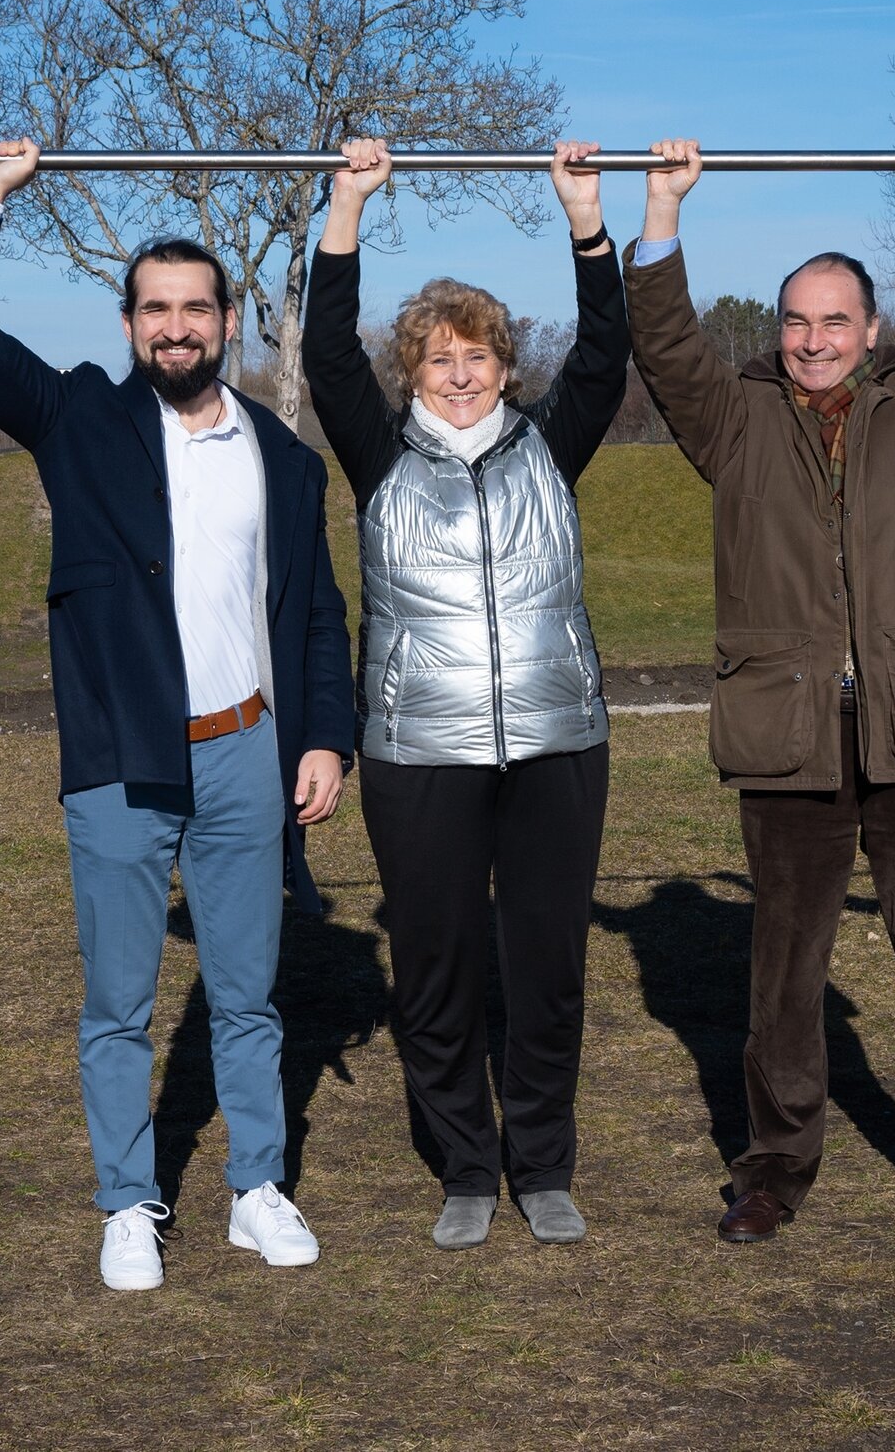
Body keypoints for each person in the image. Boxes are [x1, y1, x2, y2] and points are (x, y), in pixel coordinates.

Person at [0, 140, 356, 1290]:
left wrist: (324, 734)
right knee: (119, 999)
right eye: (155, 309)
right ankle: (127, 1199)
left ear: (226, 322)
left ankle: (256, 1186)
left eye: (196, 308)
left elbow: (316, 613)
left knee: (249, 993)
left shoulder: (280, 455)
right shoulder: (77, 422)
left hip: (248, 751)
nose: (177, 326)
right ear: (128, 325)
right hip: (120, 758)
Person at [623, 137, 895, 1243]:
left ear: (869, 328)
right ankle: (772, 1166)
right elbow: (664, 343)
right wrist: (661, 210)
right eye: (796, 323)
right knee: (783, 977)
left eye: (834, 322)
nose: (813, 342)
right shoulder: (734, 418)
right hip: (788, 734)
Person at [301, 138, 628, 1250]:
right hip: (417, 752)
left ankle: (542, 1161)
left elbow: (606, 353)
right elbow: (321, 356)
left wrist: (584, 217)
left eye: (478, 353)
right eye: (438, 356)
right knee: (435, 973)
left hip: (554, 744)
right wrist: (346, 206)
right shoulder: (378, 453)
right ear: (412, 369)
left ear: (503, 364)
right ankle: (466, 1166)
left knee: (546, 969)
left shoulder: (551, 445)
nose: (459, 372)